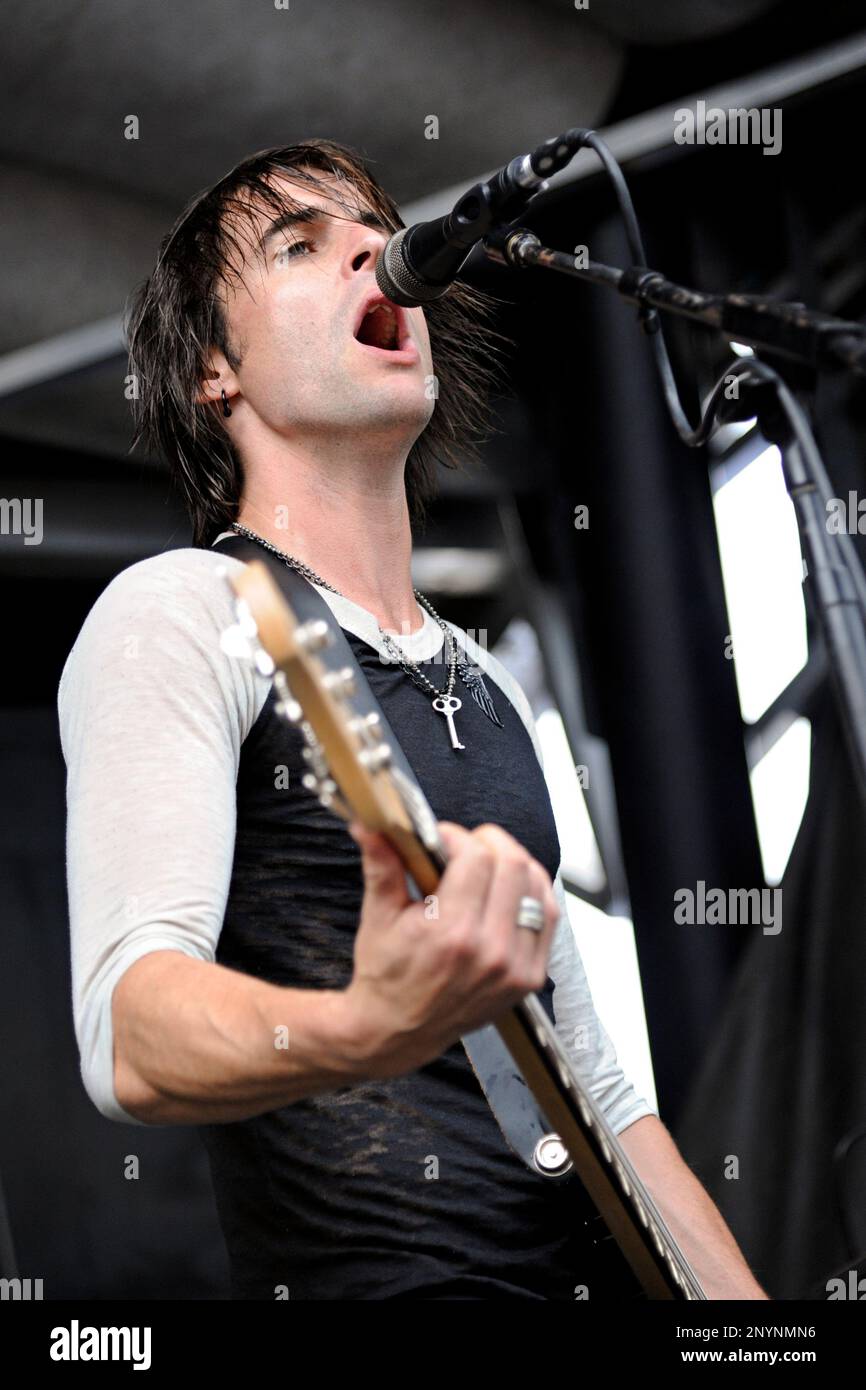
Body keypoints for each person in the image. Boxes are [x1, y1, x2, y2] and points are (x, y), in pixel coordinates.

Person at [58, 138, 767, 1300]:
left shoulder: (483, 686)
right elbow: (128, 1037)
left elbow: (604, 1097)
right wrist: (367, 1024)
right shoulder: (183, 611)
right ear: (210, 372)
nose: (368, 251)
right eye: (299, 244)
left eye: (369, 226)